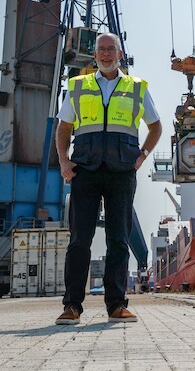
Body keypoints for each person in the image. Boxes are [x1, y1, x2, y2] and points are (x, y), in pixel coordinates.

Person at [54, 33, 162, 325]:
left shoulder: (137, 87)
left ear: (120, 54)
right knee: (79, 239)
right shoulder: (78, 86)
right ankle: (72, 306)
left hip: (121, 172)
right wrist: (63, 160)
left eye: (110, 49)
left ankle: (116, 305)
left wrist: (142, 156)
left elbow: (156, 127)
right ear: (95, 55)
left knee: (118, 240)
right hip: (85, 170)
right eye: (101, 50)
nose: (105, 54)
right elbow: (64, 128)